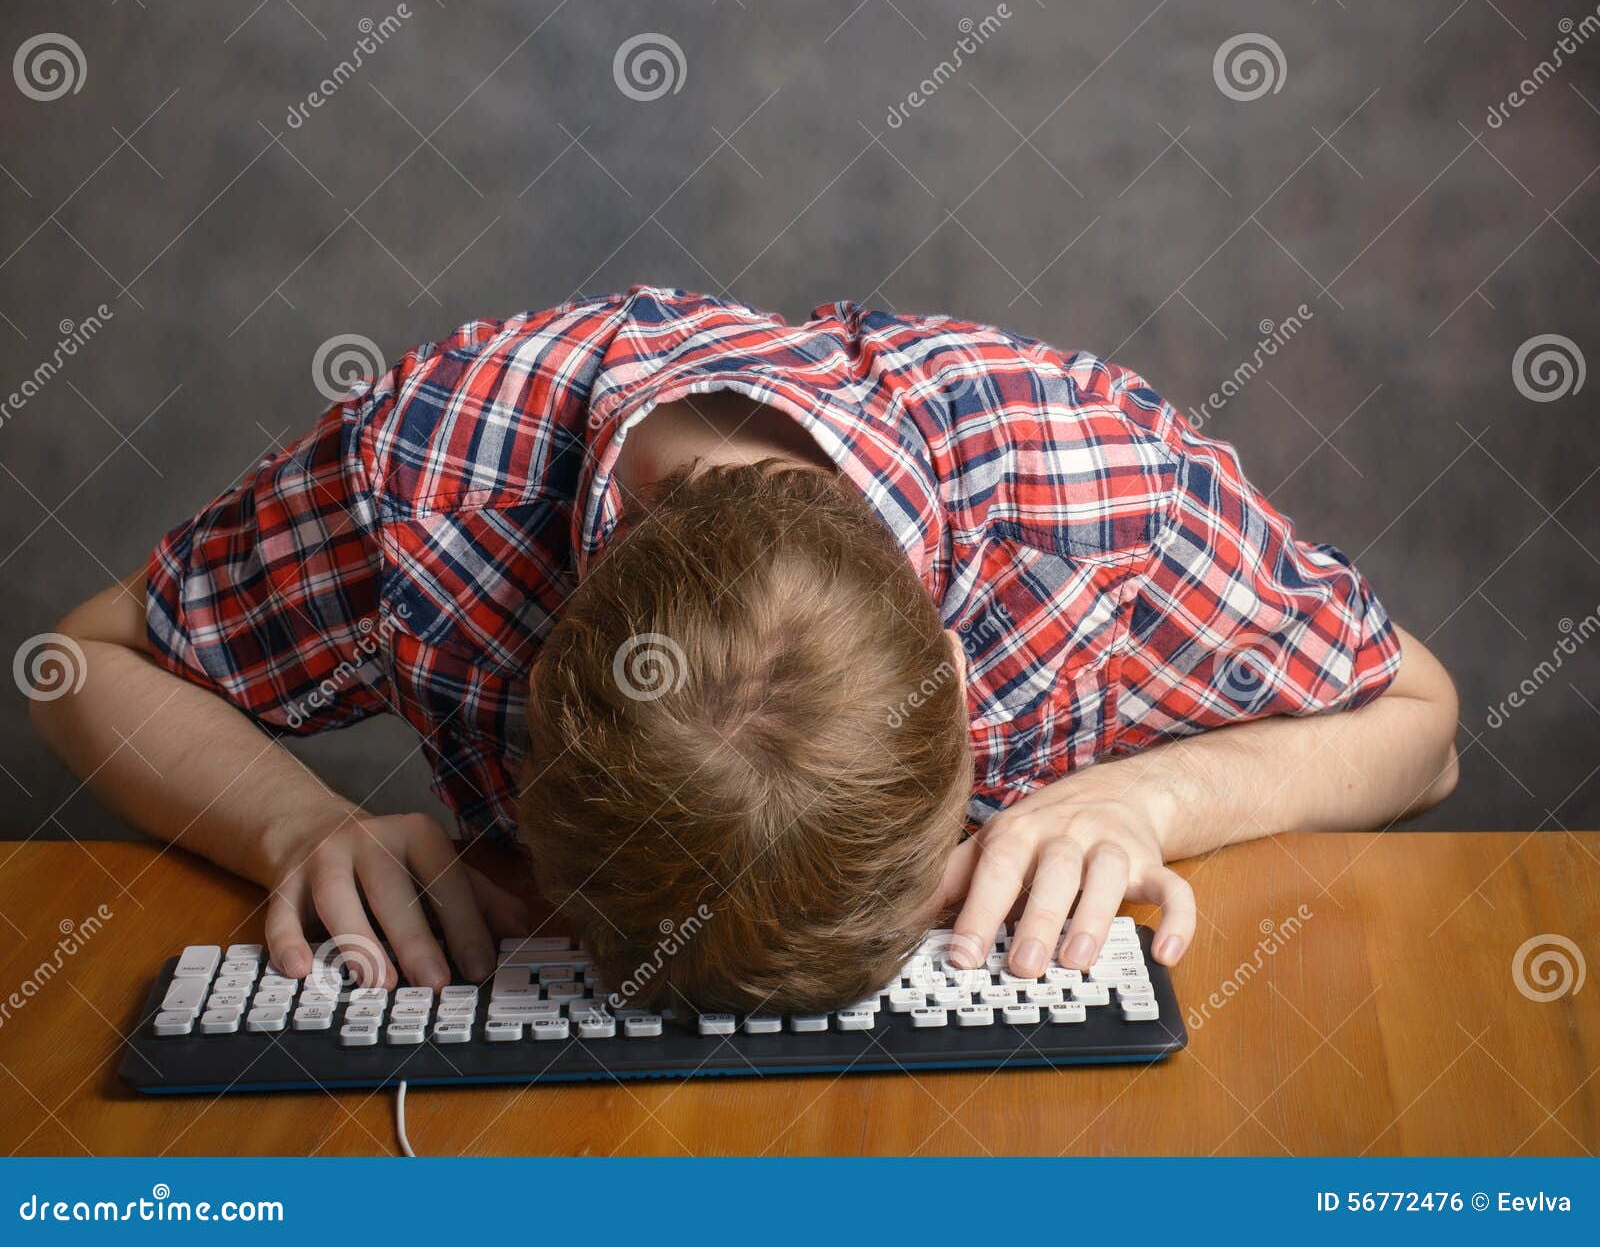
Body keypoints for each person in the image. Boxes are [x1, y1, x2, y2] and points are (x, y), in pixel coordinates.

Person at [32, 286, 1458, 1010]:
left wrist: (1148, 800)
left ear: (960, 682)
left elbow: (1427, 725)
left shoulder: (1097, 491)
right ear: (534, 695)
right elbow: (78, 659)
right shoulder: (430, 479)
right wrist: (297, 827)